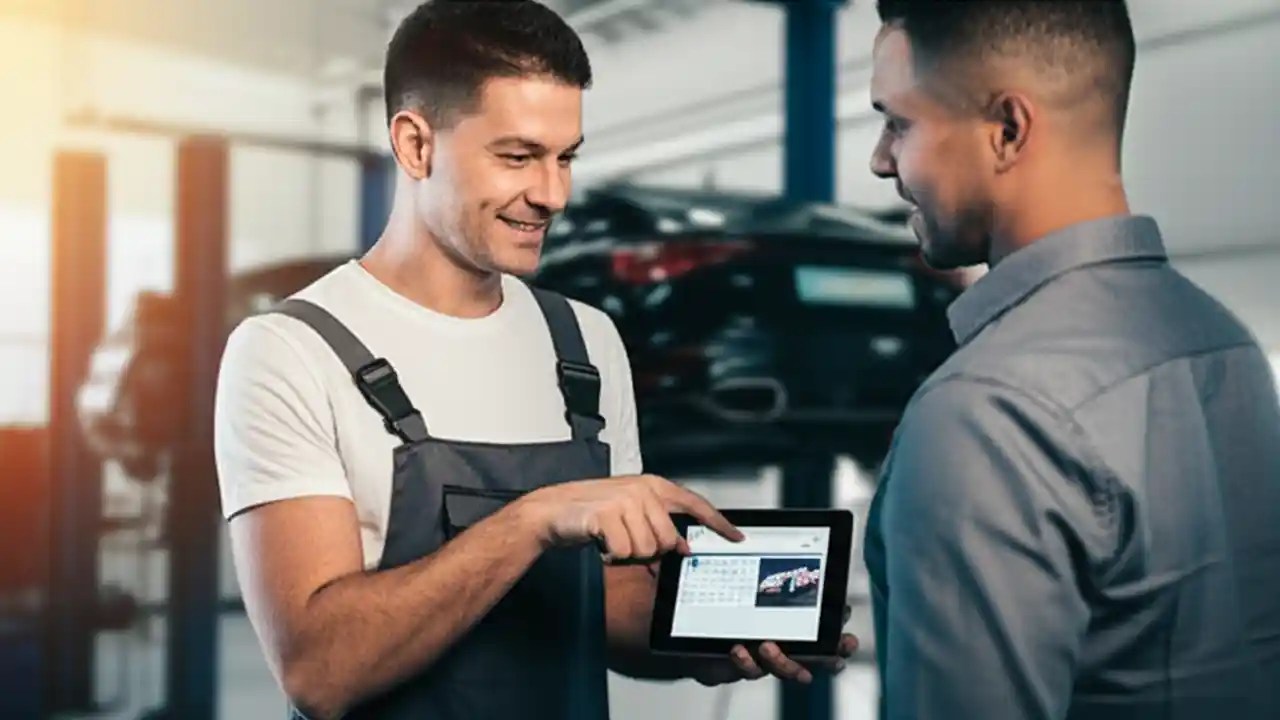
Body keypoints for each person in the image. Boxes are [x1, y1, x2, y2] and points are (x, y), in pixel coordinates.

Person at [213, 2, 855, 719]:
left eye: (566, 157)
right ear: (415, 145)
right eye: (517, 157)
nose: (551, 194)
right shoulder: (291, 352)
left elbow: (601, 607)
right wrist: (533, 520)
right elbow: (319, 669)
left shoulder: (583, 343)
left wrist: (704, 637)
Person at [862, 1, 1280, 718]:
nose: (880, 159)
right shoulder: (1225, 344)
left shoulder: (985, 412)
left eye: (899, 122)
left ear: (1007, 129)